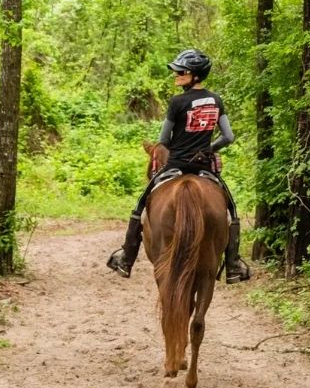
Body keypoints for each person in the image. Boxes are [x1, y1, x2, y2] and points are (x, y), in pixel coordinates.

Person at [106, 49, 250, 284]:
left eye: (180, 71)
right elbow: (229, 137)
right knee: (231, 210)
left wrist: (178, 146)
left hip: (175, 165)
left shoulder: (177, 102)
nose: (176, 75)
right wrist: (209, 149)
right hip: (203, 167)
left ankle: (126, 256)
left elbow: (163, 139)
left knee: (140, 205)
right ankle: (233, 264)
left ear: (194, 74)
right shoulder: (216, 100)